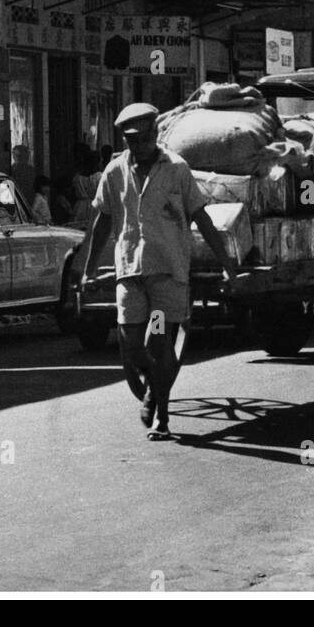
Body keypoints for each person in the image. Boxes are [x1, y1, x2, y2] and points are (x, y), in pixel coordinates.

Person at [81, 103, 239, 441]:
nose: (135, 147)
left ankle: (161, 413)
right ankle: (154, 385)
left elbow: (201, 218)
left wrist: (227, 263)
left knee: (159, 342)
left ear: (155, 135)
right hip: (130, 272)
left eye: (141, 140)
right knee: (131, 343)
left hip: (166, 272)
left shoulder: (177, 170)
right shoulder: (114, 172)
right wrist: (89, 269)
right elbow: (103, 220)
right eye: (129, 141)